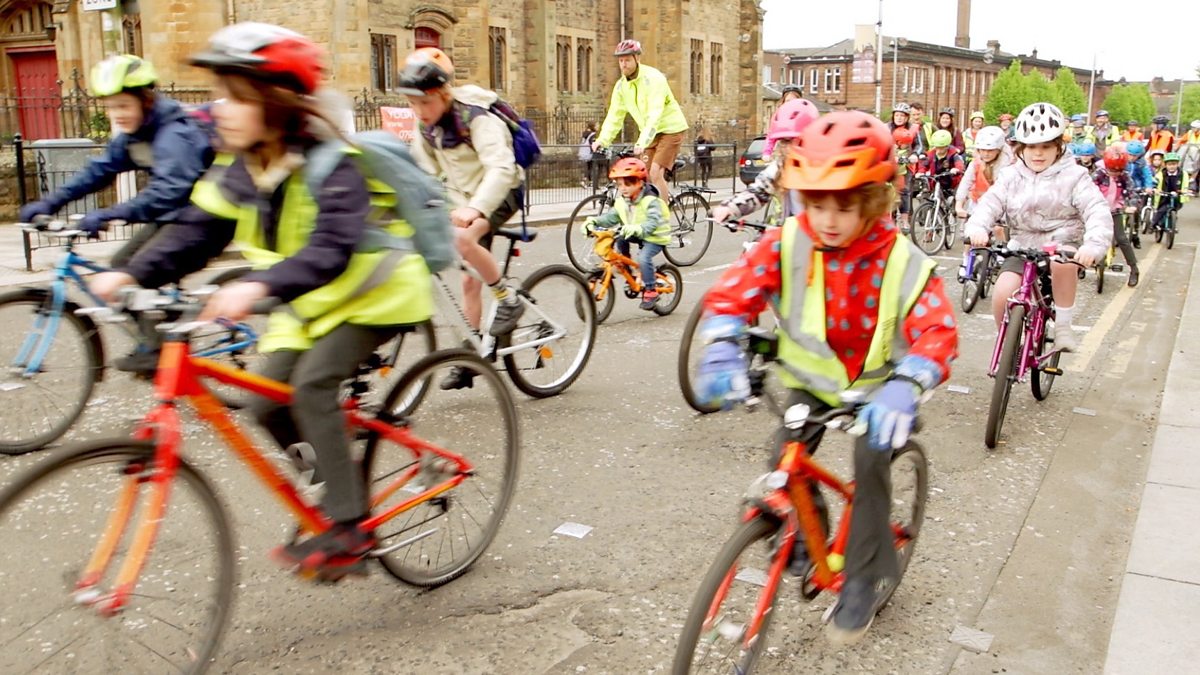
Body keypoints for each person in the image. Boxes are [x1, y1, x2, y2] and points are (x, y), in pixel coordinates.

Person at [87, 23, 435, 577]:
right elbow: (194, 233)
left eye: (234, 96)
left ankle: (347, 526)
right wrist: (127, 274)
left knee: (312, 384)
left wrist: (256, 287)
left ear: (273, 104)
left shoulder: (331, 163)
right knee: (265, 402)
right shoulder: (240, 168)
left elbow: (331, 248)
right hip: (307, 304)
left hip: (375, 295)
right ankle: (331, 470)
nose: (217, 109)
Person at [693, 110, 957, 645]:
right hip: (810, 384)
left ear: (876, 201)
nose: (828, 219)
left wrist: (907, 386)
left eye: (845, 204)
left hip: (879, 392)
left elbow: (938, 331)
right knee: (784, 455)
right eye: (815, 203)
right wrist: (722, 342)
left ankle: (863, 575)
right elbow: (732, 291)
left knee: (870, 462)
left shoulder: (901, 260)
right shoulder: (787, 241)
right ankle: (799, 534)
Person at [398, 46, 526, 385]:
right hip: (463, 197)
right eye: (413, 103)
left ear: (444, 93)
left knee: (463, 239)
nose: (419, 110)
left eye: (426, 102)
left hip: (501, 190)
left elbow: (501, 168)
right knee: (468, 280)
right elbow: (421, 173)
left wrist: (476, 208)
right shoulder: (426, 125)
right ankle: (471, 355)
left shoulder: (477, 117)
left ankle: (507, 299)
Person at [18, 54, 214, 269]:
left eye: (123, 106)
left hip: (208, 216)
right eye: (110, 107)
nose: (116, 115)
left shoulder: (174, 134)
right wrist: (50, 202)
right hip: (177, 213)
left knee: (132, 272)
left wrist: (111, 213)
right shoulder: (136, 135)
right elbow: (98, 171)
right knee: (122, 264)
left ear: (146, 101)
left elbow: (168, 192)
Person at [966, 102, 1112, 352]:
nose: (1038, 153)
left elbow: (1097, 210)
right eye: (1032, 147)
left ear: (1059, 147)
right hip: (1022, 244)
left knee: (1062, 264)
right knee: (1002, 292)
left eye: (1046, 146)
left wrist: (1093, 246)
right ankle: (1009, 344)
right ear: (1021, 148)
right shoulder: (1011, 175)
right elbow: (989, 203)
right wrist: (978, 228)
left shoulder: (1075, 176)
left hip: (1061, 241)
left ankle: (1064, 328)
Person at [592, 39, 689, 202]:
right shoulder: (621, 86)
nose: (623, 64)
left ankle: (662, 218)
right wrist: (603, 140)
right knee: (643, 175)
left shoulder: (654, 78)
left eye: (627, 60)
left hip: (670, 129)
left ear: (637, 58)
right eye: (621, 61)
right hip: (651, 134)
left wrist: (642, 142)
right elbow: (615, 115)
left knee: (655, 172)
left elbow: (654, 113)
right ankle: (649, 211)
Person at [711, 98, 820, 226]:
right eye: (783, 141)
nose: (787, 148)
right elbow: (759, 191)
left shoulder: (827, 170)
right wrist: (730, 208)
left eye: (794, 140)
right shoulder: (781, 167)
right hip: (792, 235)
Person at [579, 157, 670, 310]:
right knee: (620, 239)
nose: (623, 188)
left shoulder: (650, 201)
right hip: (634, 232)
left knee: (643, 258)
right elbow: (611, 218)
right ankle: (627, 267)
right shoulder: (623, 201)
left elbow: (653, 222)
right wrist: (594, 221)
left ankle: (650, 290)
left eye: (628, 184)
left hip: (654, 236)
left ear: (640, 183)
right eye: (620, 184)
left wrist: (639, 228)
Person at [954, 125, 1012, 276]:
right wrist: (959, 205)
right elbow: (966, 183)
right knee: (971, 234)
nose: (985, 154)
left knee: (999, 229)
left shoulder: (1008, 165)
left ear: (999, 149)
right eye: (982, 150)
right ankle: (966, 261)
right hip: (978, 202)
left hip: (1001, 204)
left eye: (990, 150)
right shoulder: (976, 163)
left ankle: (1001, 253)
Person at [1094, 147, 1140, 285]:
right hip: (1097, 211)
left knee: (1121, 238)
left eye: (1118, 171)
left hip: (1115, 210)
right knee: (1084, 234)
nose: (1114, 174)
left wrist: (1132, 205)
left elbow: (1132, 192)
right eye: (1111, 170)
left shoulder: (1125, 176)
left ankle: (1134, 269)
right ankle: (1080, 264)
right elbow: (1087, 190)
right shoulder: (1098, 174)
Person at [1149, 152, 1193, 232]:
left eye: (1174, 164)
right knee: (1162, 210)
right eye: (1169, 164)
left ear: (1177, 164)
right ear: (1165, 165)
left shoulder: (1183, 174)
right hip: (1164, 196)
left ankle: (1172, 225)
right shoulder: (1161, 174)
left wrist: (1188, 190)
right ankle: (1153, 224)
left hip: (1177, 196)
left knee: (1174, 211)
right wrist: (1155, 188)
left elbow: (1188, 183)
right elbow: (1154, 182)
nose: (1172, 166)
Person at [917, 130, 965, 196]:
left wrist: (956, 169)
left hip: (951, 181)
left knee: (957, 197)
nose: (939, 150)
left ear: (947, 146)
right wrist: (921, 172)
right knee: (929, 196)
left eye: (941, 148)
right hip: (937, 180)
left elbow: (959, 164)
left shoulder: (953, 154)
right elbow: (924, 164)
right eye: (937, 148)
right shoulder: (931, 154)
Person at [893, 126, 918, 231]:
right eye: (905, 144)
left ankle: (904, 220)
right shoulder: (891, 148)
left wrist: (913, 158)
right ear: (898, 142)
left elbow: (914, 156)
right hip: (890, 175)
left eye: (908, 144)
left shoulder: (908, 150)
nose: (907, 146)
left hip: (902, 174)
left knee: (904, 192)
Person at [579, 121, 600, 190]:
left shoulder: (585, 133)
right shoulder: (592, 134)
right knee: (590, 167)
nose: (598, 127)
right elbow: (592, 143)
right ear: (593, 126)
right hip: (590, 152)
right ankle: (584, 180)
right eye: (596, 125)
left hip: (584, 152)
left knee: (588, 166)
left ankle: (590, 182)